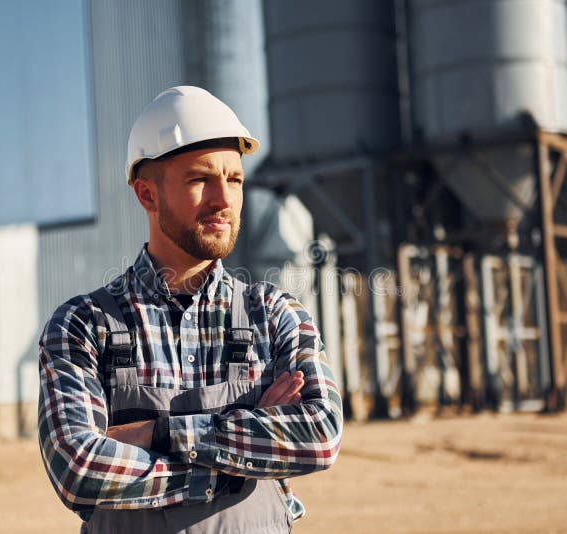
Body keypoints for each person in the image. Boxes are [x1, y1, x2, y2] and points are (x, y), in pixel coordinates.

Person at [38, 86, 343, 533]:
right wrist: (245, 447)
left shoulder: (275, 315)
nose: (224, 198)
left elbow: (319, 437)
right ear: (148, 195)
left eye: (235, 179)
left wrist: (156, 434)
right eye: (201, 179)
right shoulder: (83, 326)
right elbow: (78, 469)